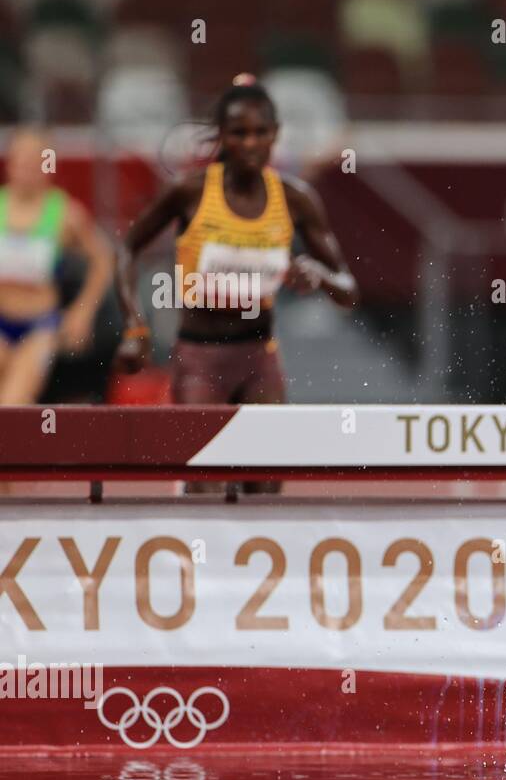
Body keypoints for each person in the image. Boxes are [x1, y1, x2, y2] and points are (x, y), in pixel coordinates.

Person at [114, 75, 357, 491]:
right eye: (239, 133)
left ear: (276, 135)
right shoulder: (189, 192)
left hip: (259, 357)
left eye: (261, 133)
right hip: (199, 358)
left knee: (265, 488)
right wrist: (136, 325)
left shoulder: (295, 199)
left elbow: (347, 289)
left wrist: (318, 276)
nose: (251, 144)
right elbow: (127, 249)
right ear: (222, 136)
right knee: (204, 485)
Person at [0, 128, 113, 404]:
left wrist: (82, 312)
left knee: (13, 401)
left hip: (39, 326)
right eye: (20, 161)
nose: (26, 169)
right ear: (10, 164)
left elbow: (104, 258)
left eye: (34, 162)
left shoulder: (65, 214)